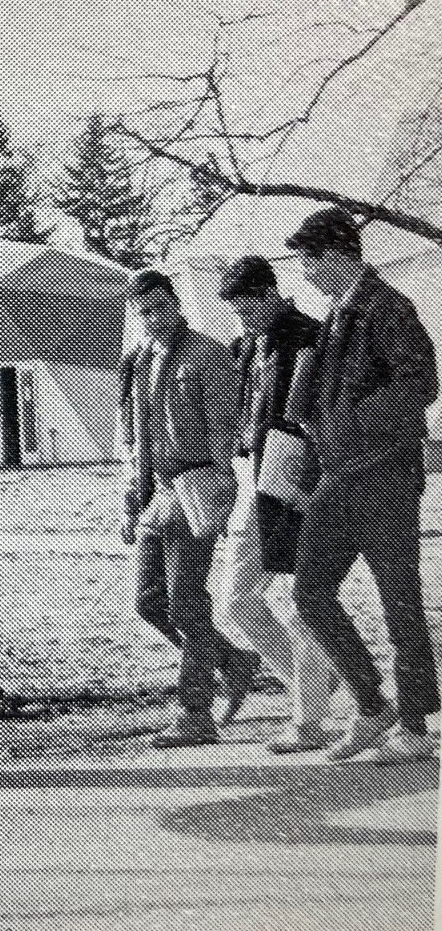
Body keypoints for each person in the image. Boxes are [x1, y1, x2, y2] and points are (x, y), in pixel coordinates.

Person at [284, 208, 439, 764]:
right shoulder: (338, 314)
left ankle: (416, 725)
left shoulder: (386, 306)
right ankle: (374, 707)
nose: (305, 274)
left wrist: (348, 428)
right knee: (309, 594)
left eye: (308, 261)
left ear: (336, 255)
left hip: (383, 478)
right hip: (337, 478)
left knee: (399, 601)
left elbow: (421, 381)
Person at [120, 268, 260, 749]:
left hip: (196, 487)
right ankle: (234, 661)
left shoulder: (208, 354)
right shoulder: (138, 360)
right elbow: (136, 436)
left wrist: (221, 495)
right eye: (144, 312)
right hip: (157, 492)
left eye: (161, 308)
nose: (155, 319)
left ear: (177, 304)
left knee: (186, 603)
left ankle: (194, 714)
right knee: (148, 602)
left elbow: (228, 434)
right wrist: (131, 498)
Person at [215, 256, 337, 754]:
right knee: (235, 602)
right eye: (237, 314)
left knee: (301, 595)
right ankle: (318, 685)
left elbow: (312, 413)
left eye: (248, 310)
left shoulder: (307, 337)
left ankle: (308, 717)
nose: (242, 321)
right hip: (250, 473)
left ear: (270, 293)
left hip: (291, 468)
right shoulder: (247, 344)